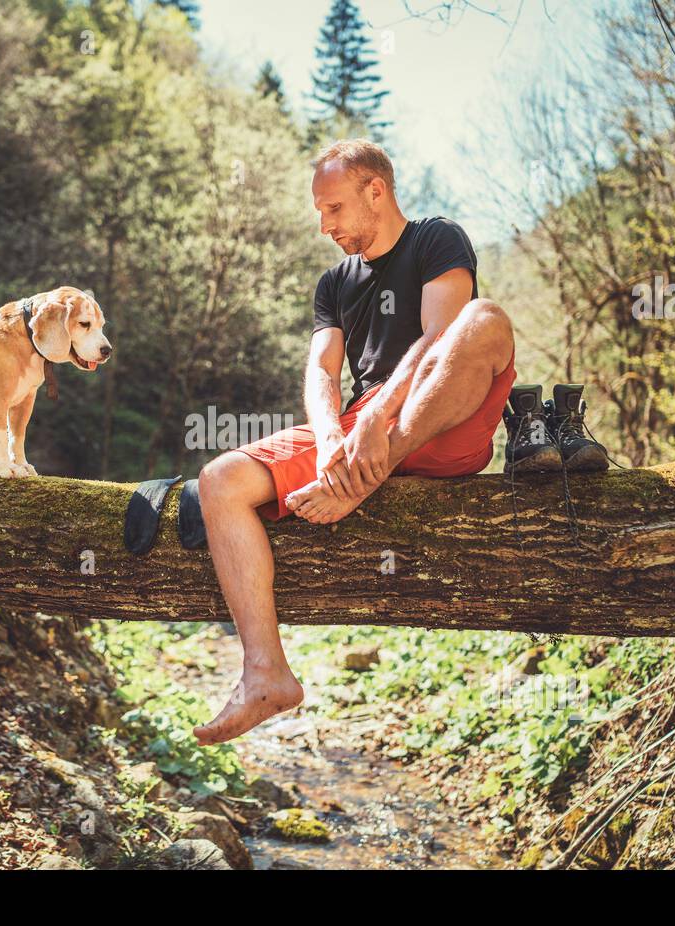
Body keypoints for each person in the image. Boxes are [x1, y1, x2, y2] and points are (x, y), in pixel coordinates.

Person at [193, 139, 517, 745]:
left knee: (486, 318)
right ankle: (266, 672)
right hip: (361, 426)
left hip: (441, 421)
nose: (326, 226)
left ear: (376, 191)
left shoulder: (436, 239)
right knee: (220, 481)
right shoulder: (333, 283)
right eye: (320, 212)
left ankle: (361, 483)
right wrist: (329, 434)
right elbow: (322, 371)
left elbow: (443, 339)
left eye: (334, 208)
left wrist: (379, 423)